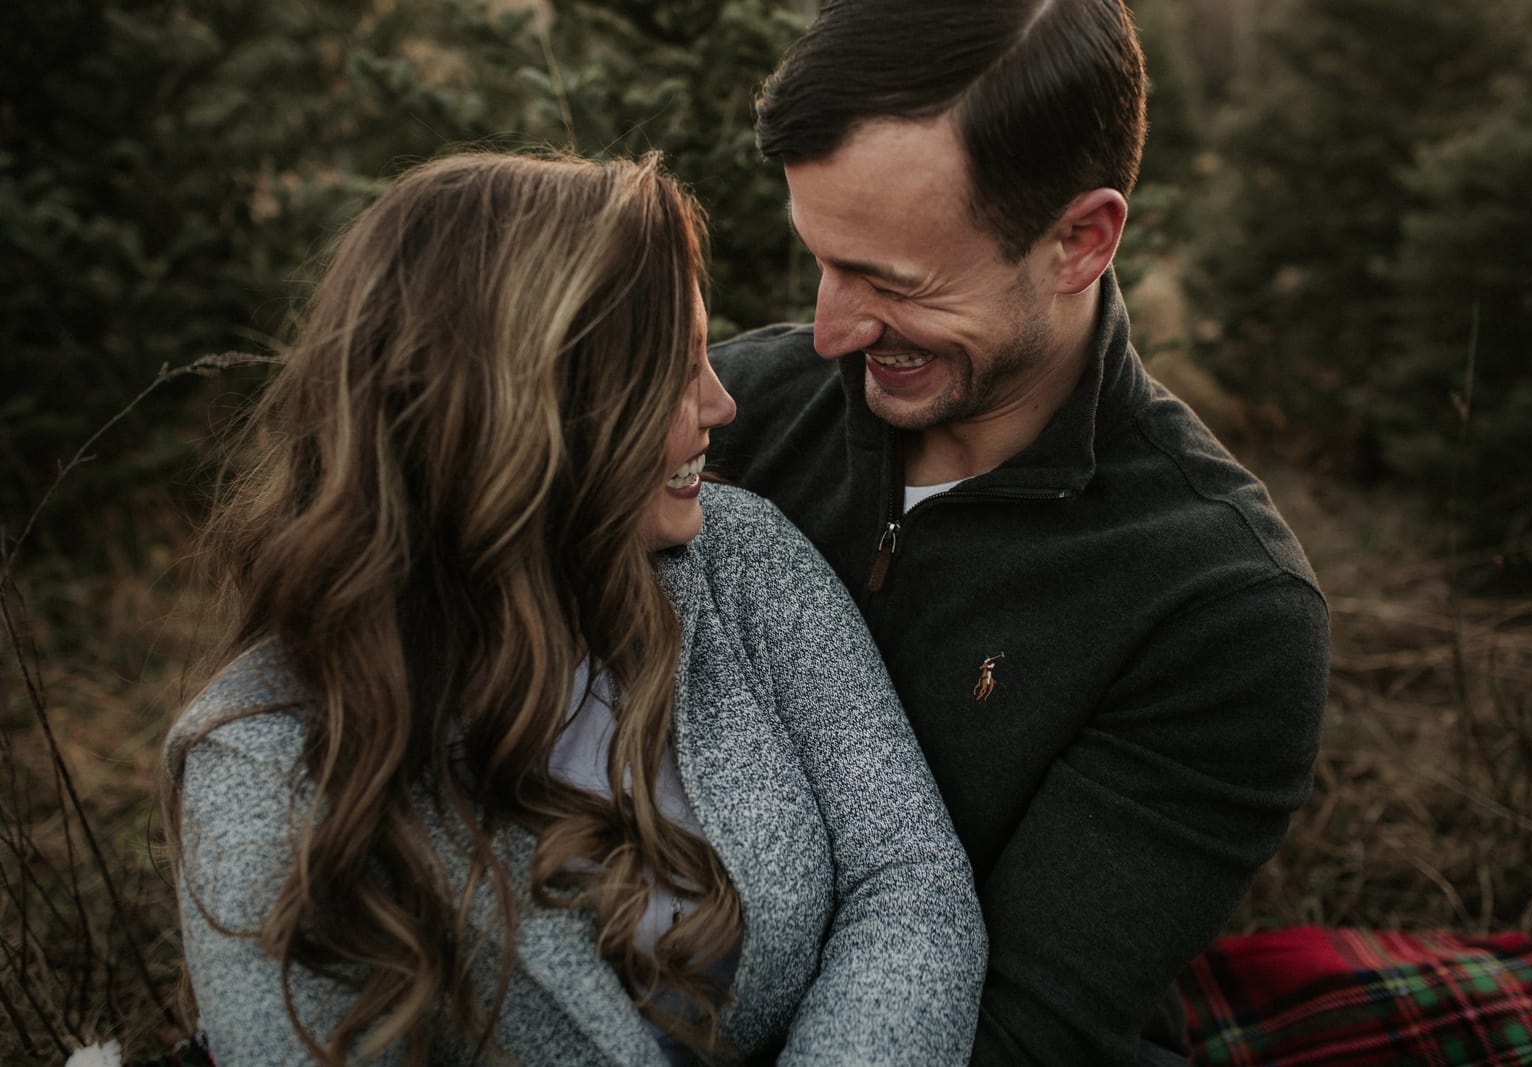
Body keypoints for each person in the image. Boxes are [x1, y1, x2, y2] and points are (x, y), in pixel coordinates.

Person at [161, 150, 986, 1066]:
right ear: (530, 409)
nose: (722, 403)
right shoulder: (268, 760)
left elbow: (908, 880)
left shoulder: (740, 560)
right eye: (673, 371)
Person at [707, 2, 1330, 1064]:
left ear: (1080, 240)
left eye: (895, 282)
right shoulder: (728, 418)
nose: (832, 329)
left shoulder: (1219, 605)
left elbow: (1012, 1032)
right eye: (822, 258)